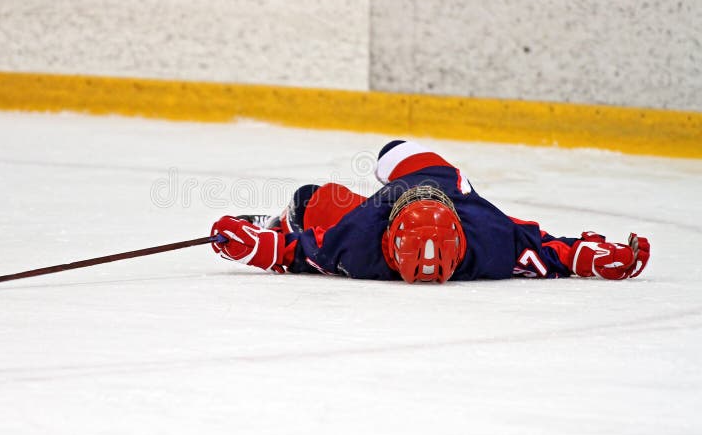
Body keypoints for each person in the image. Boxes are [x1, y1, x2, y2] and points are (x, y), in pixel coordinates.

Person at [210, 140, 650, 283]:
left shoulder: (359, 241)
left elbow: (299, 250)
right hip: (439, 179)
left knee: (312, 200)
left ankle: (284, 210)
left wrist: (261, 244)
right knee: (393, 152)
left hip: (387, 205)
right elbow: (551, 250)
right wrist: (586, 257)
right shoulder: (490, 237)